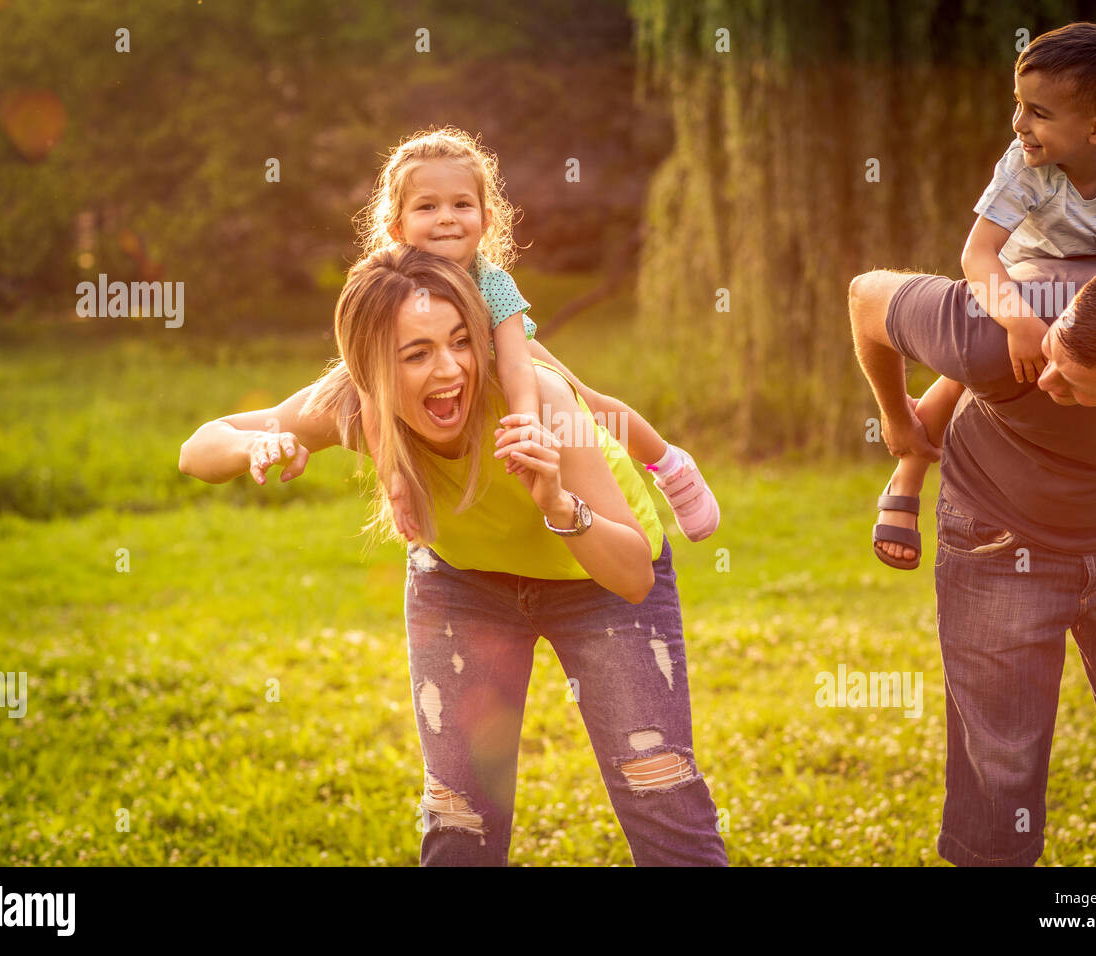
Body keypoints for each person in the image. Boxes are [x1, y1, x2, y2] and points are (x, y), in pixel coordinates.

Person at [178, 245, 729, 867]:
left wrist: (556, 505)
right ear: (372, 371)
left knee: (659, 794)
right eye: (416, 354)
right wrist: (259, 445)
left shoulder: (539, 401)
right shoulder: (356, 408)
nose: (450, 371)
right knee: (460, 815)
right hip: (466, 586)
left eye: (462, 342)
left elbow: (631, 578)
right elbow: (198, 449)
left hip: (595, 569)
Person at [850, 250, 1096, 866]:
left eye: (1073, 383)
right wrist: (898, 422)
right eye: (1054, 354)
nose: (1045, 379)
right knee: (1001, 761)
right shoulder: (998, 337)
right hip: (999, 542)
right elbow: (867, 295)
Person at [873, 21, 1096, 569]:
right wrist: (1018, 322)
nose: (1019, 125)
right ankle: (912, 465)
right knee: (971, 363)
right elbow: (978, 255)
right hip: (1038, 279)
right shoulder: (1025, 167)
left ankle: (914, 457)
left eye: (1039, 113)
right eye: (1018, 105)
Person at [359, 126, 720, 544]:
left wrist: (527, 420)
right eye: (427, 206)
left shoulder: (491, 283)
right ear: (396, 225)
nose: (446, 217)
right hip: (452, 374)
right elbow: (370, 385)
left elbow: (514, 362)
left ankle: (670, 464)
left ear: (486, 217)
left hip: (500, 350)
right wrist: (394, 479)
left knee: (590, 403)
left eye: (462, 204)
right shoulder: (386, 284)